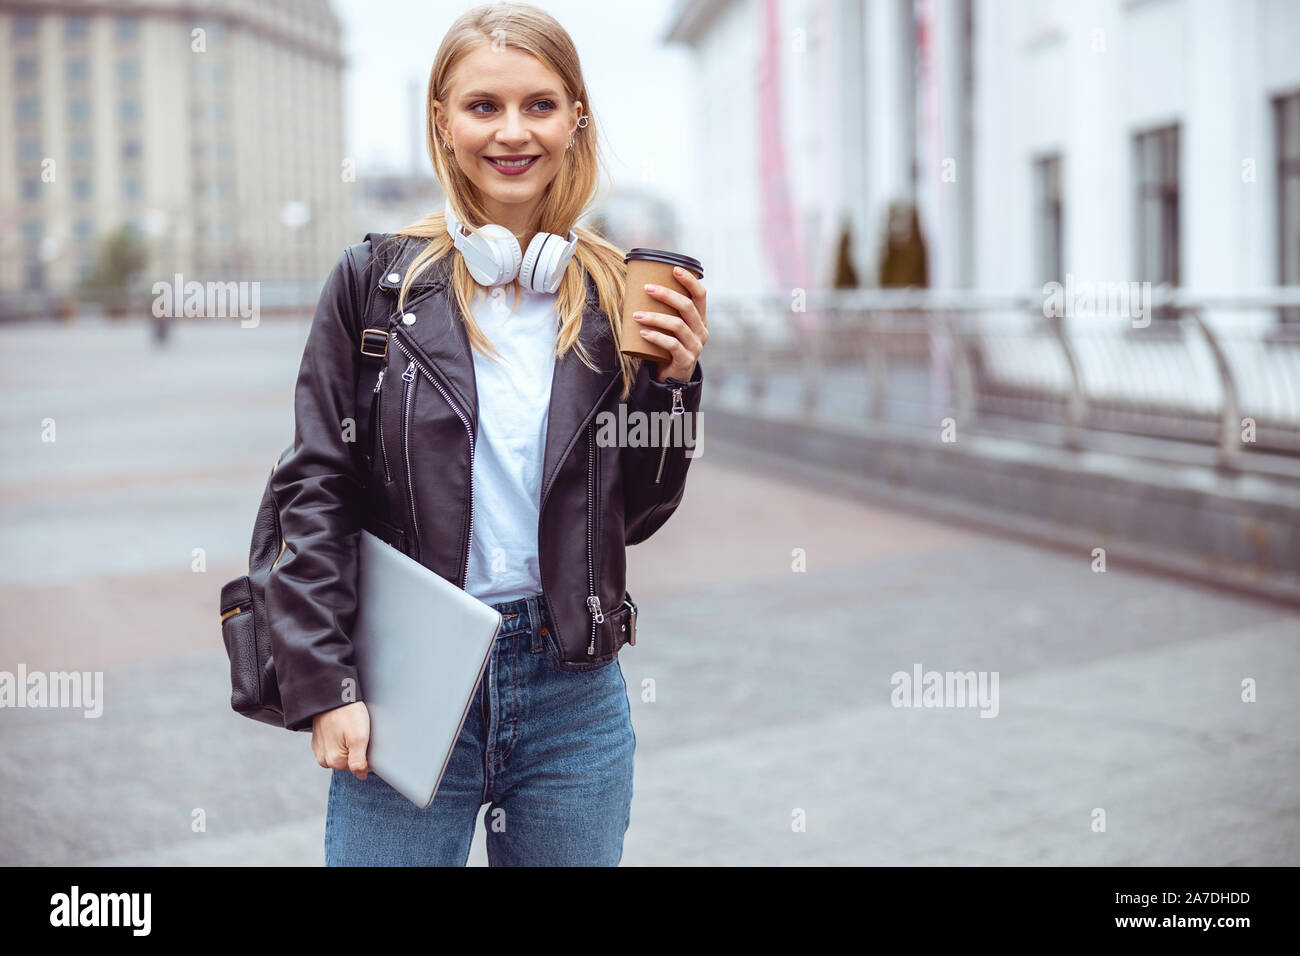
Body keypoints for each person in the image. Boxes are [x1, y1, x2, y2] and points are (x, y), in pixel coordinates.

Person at [263, 2, 707, 866]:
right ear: (442, 119)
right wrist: (326, 684)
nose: (513, 132)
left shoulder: (618, 293)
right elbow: (315, 488)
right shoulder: (372, 285)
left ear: (576, 118)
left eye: (540, 105)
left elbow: (640, 515)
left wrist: (674, 389)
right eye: (483, 106)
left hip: (572, 691)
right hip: (406, 680)